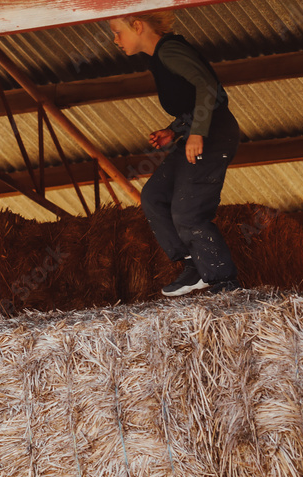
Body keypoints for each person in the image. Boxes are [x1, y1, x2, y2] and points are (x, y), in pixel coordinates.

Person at [109, 12, 241, 296]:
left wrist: (196, 133)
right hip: (197, 131)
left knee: (188, 211)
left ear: (138, 26)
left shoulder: (169, 50)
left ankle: (225, 284)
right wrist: (175, 130)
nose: (115, 39)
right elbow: (192, 101)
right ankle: (193, 265)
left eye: (117, 31)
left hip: (214, 133)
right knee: (154, 197)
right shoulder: (157, 59)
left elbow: (207, 86)